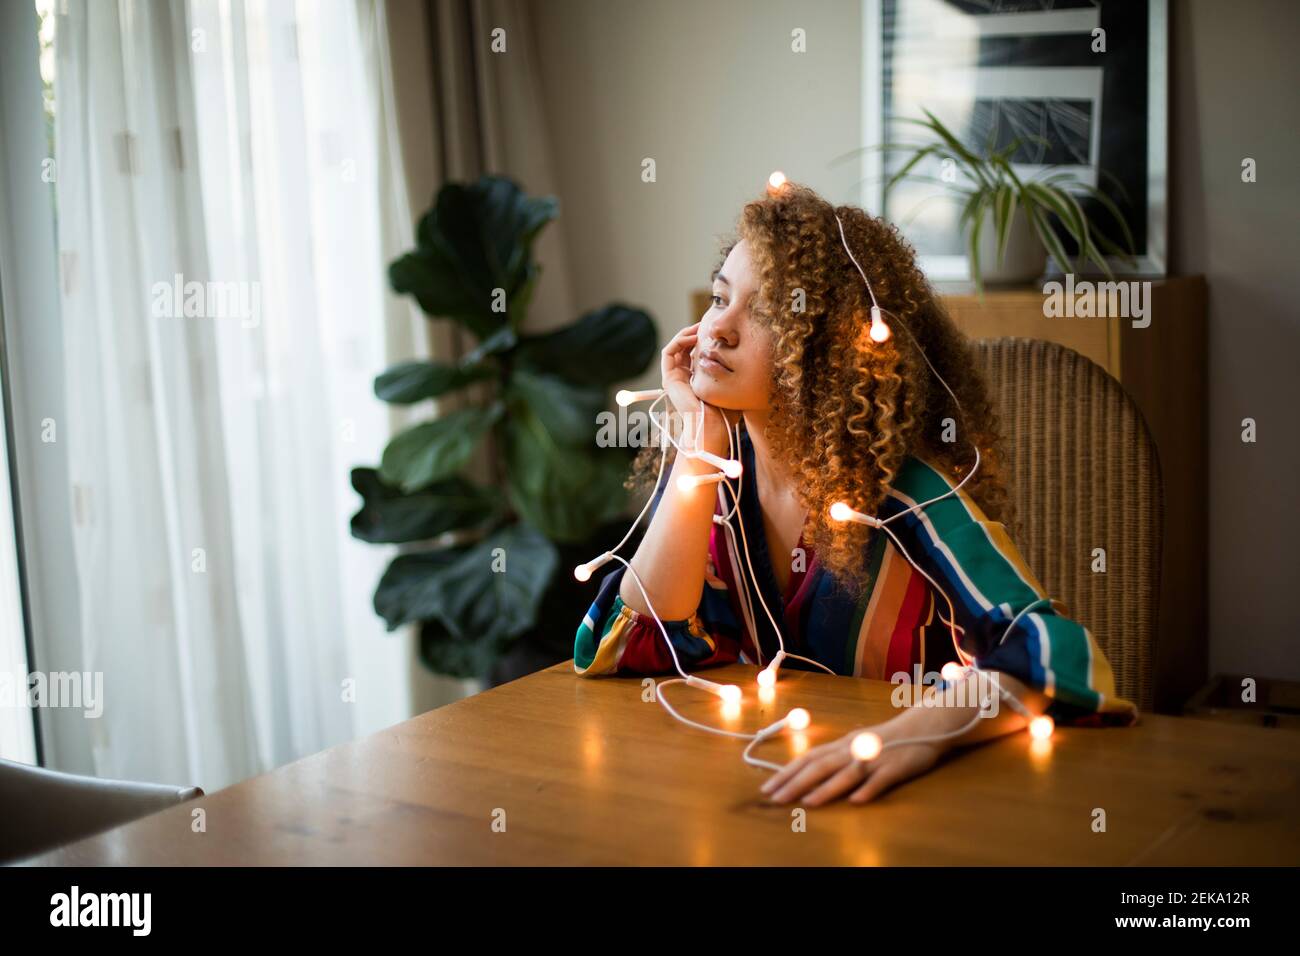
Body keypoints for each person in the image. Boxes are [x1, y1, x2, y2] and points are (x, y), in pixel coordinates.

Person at [574, 182, 1136, 807]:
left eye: (764, 315)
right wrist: (695, 441)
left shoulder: (907, 499)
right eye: (718, 299)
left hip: (919, 805)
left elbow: (1052, 652)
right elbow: (621, 645)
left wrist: (913, 737)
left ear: (830, 349)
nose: (717, 331)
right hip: (749, 793)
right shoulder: (716, 478)